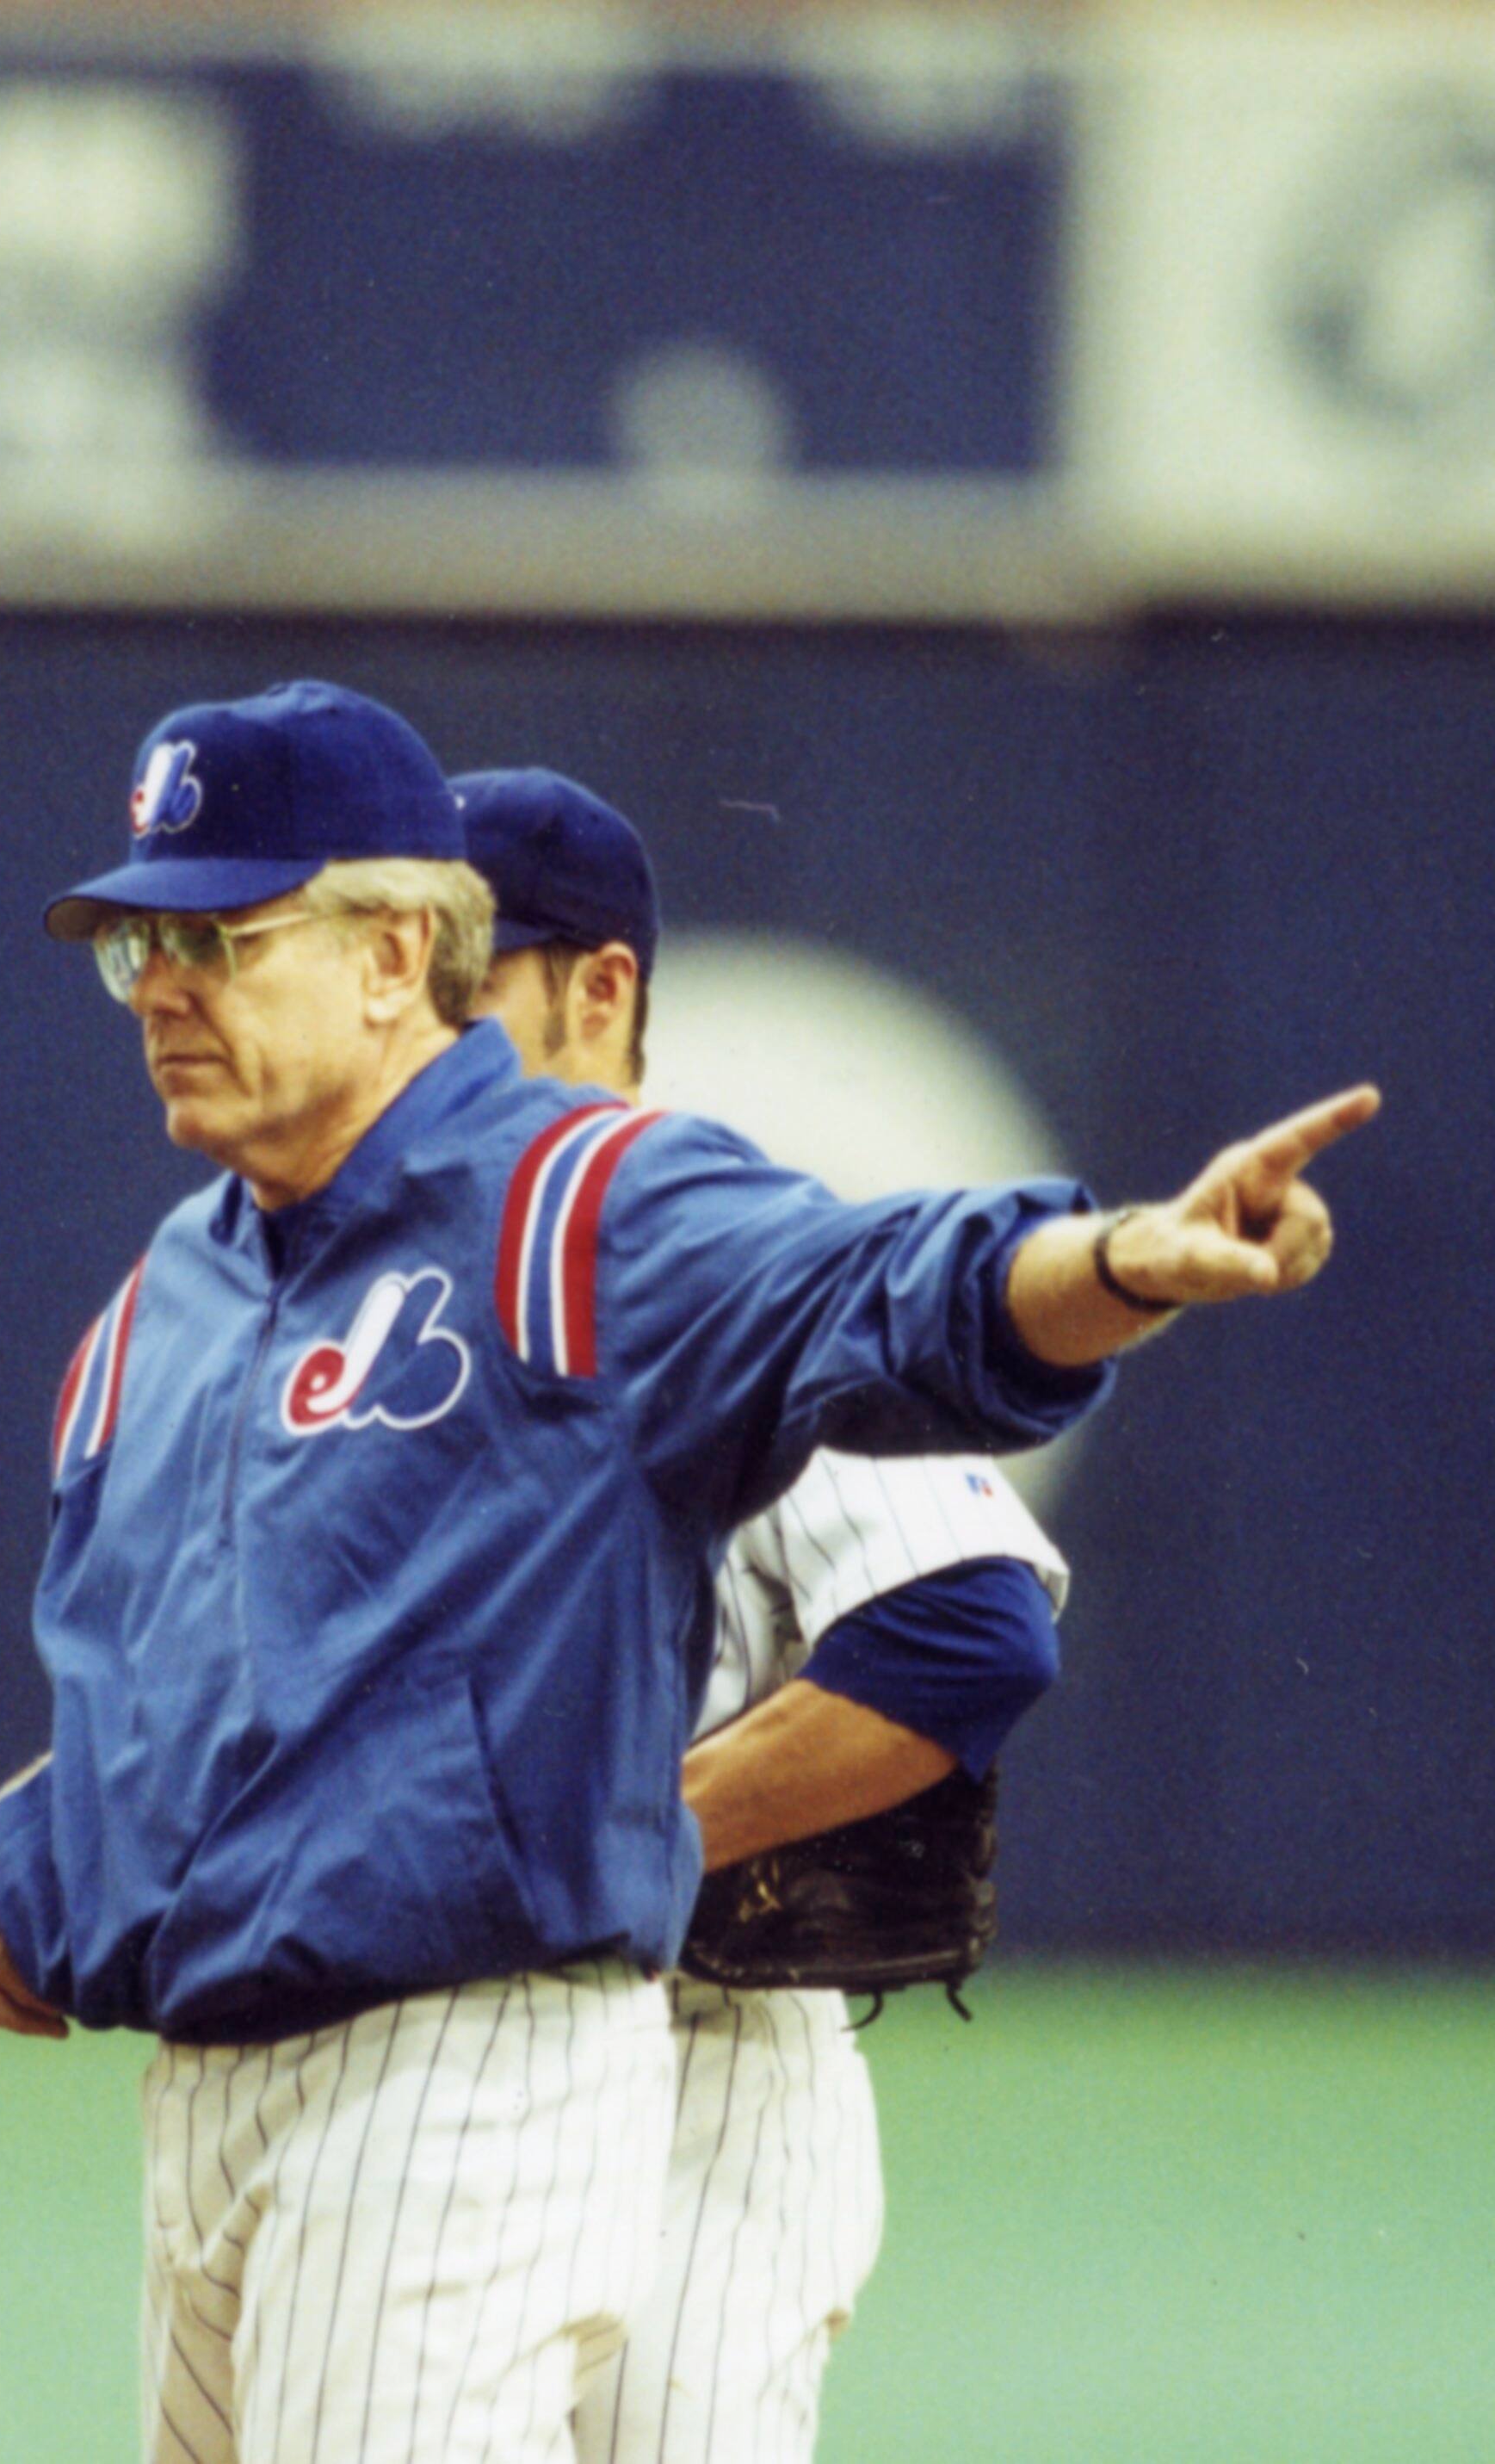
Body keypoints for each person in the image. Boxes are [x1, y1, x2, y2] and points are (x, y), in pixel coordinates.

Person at [0, 677, 1375, 2464]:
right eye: (136, 947)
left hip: (466, 2071)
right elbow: (186, 1673)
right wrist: (50, 1848)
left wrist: (1121, 1261)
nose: (160, 990)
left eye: (219, 938)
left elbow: (894, 1299)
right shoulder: (173, 1297)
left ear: (395, 959)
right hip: (210, 2095)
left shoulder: (586, 1206)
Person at [458, 765, 1068, 2461]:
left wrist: (638, 1838)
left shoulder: (693, 1260)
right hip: (429, 2078)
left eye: (466, 975)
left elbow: (965, 1628)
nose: (417, 1019)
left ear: (601, 991)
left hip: (697, 2092)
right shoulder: (382, 1298)